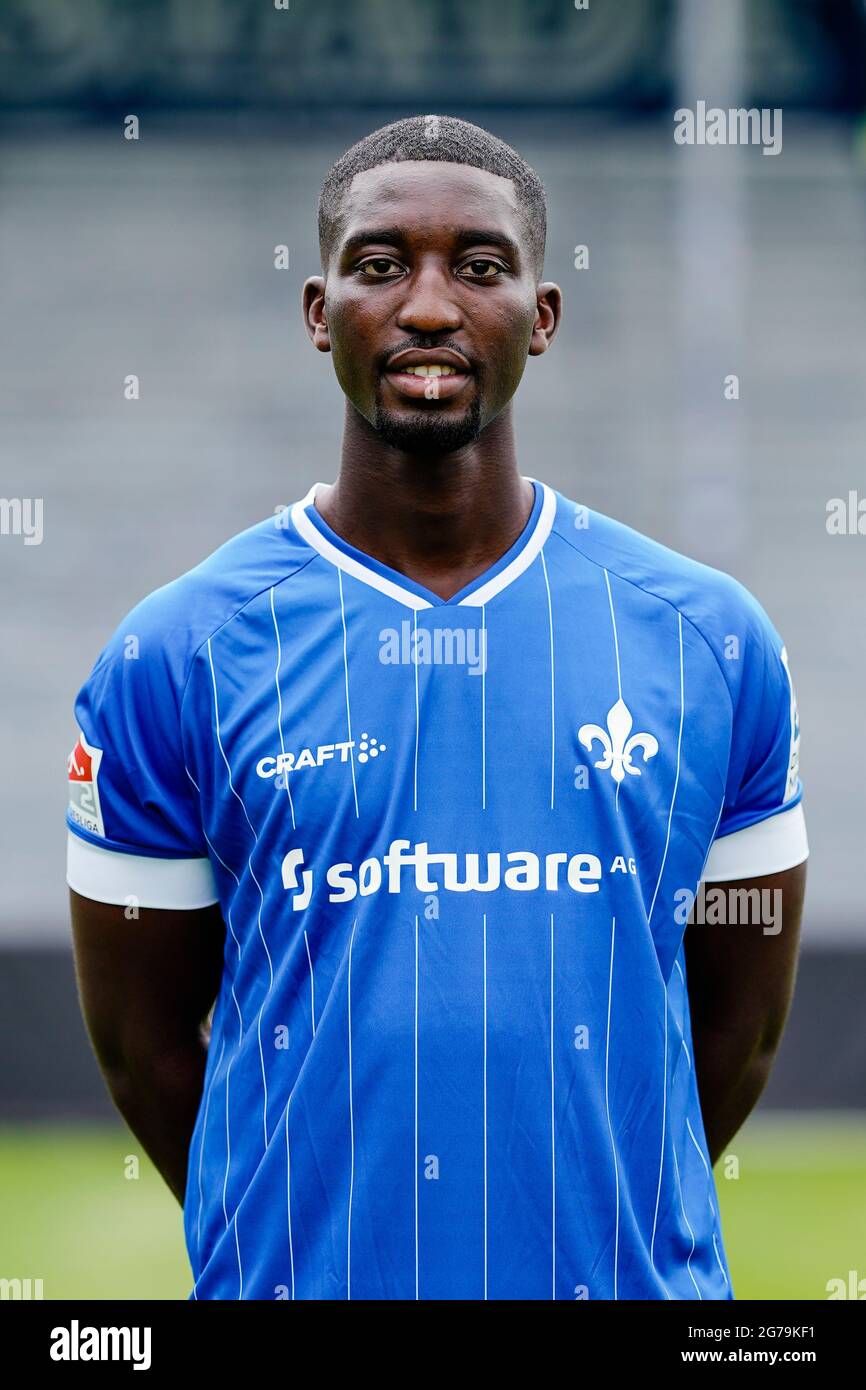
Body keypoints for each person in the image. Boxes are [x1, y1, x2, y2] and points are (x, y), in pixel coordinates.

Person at [67, 115, 808, 1300]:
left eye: (476, 266)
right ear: (318, 313)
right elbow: (146, 1050)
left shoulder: (704, 639)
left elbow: (737, 1033)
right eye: (377, 265)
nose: (424, 306)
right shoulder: (178, 651)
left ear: (541, 315)